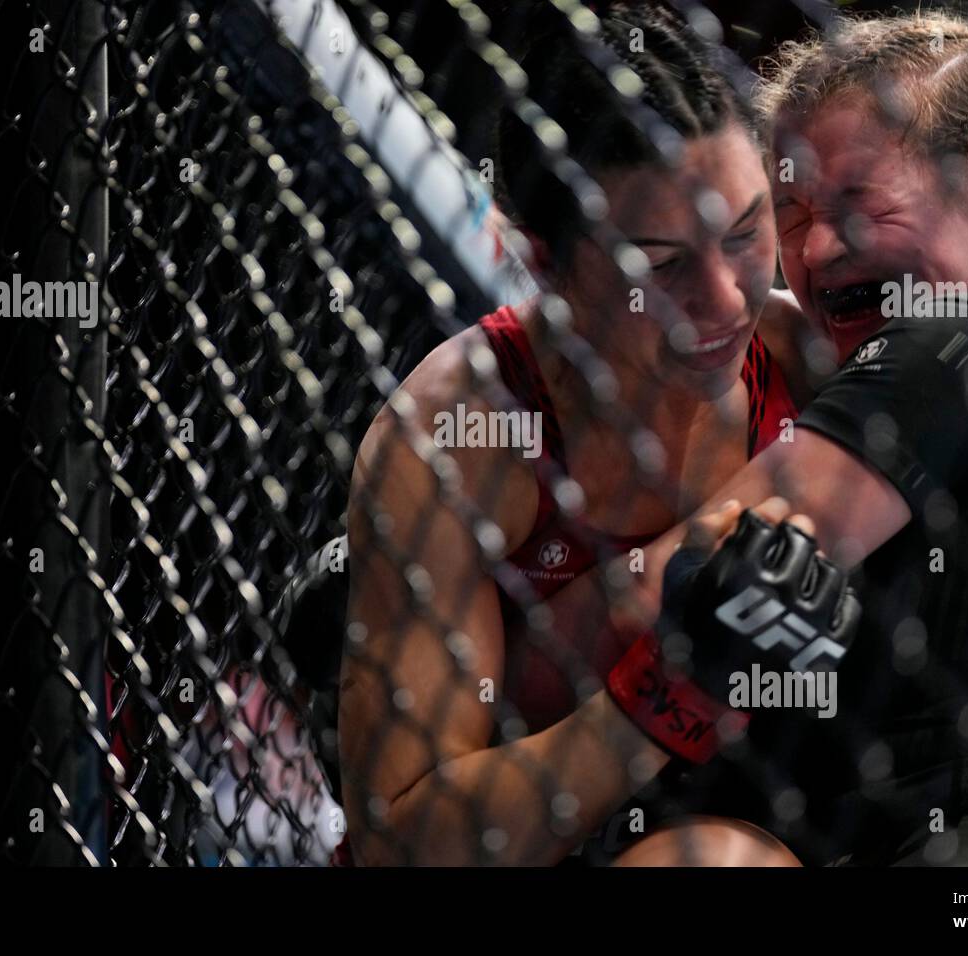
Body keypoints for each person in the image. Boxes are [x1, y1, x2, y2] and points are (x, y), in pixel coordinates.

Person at [619, 10, 968, 865]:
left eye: (860, 202)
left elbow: (646, 597)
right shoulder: (928, 437)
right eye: (789, 213)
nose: (817, 248)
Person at [338, 2, 817, 866]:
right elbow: (399, 843)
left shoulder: (811, 365)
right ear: (545, 265)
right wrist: (667, 689)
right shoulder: (460, 435)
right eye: (661, 266)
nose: (726, 300)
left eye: (747, 234)